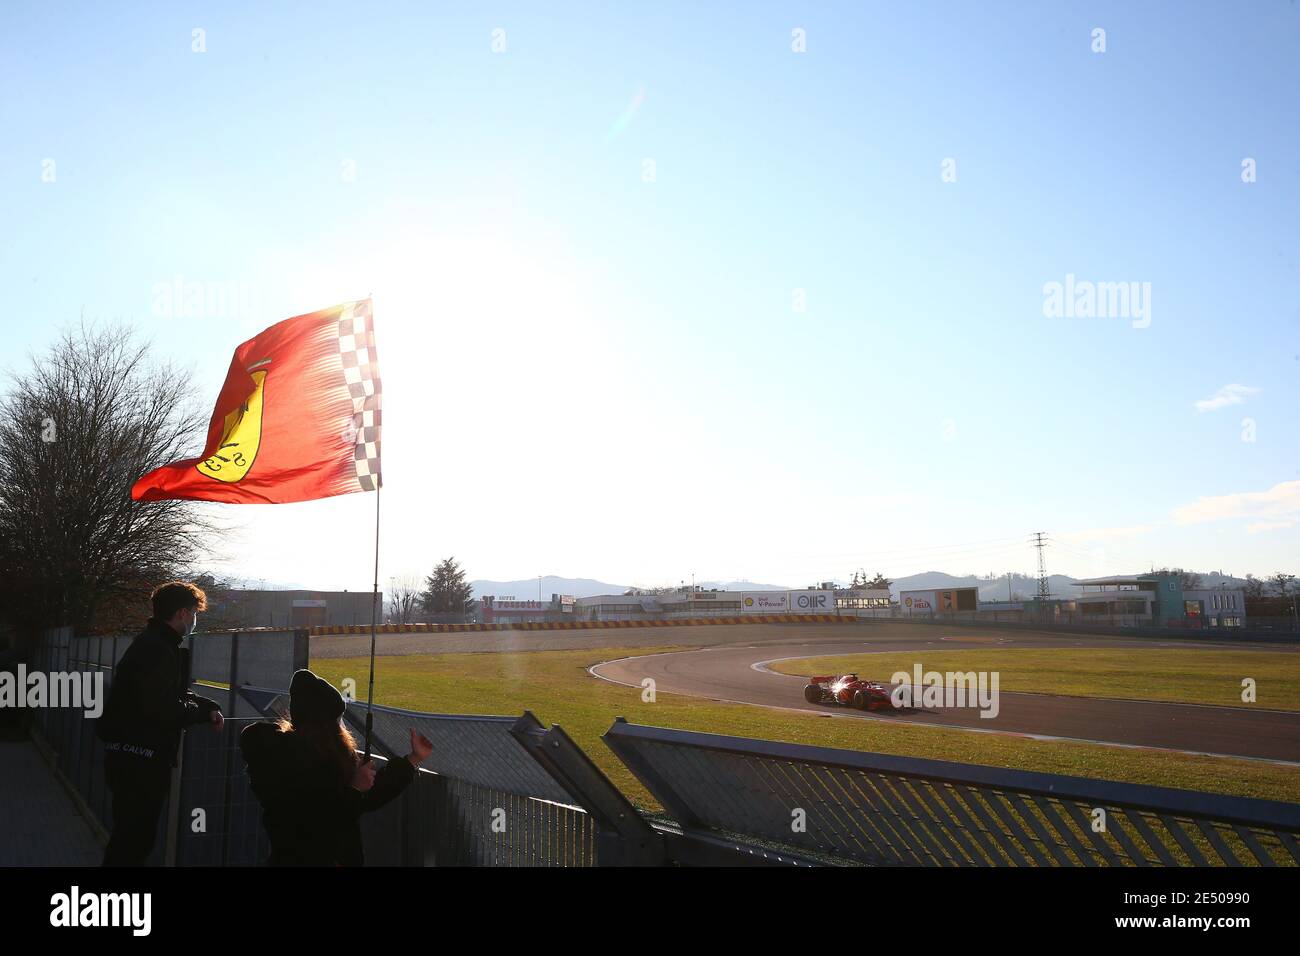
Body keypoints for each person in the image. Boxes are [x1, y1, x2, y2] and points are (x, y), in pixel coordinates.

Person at [240, 668, 433, 866]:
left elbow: (365, 797)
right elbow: (321, 824)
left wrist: (413, 759)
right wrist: (355, 789)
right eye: (336, 719)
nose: (341, 726)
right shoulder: (292, 764)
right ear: (322, 724)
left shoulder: (316, 757)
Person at [97, 581, 224, 865]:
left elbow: (165, 693)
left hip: (129, 756)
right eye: (193, 613)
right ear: (181, 613)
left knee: (131, 838)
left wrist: (207, 706)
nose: (194, 620)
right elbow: (163, 707)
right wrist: (202, 714)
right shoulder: (158, 648)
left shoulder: (152, 643)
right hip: (139, 760)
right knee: (133, 842)